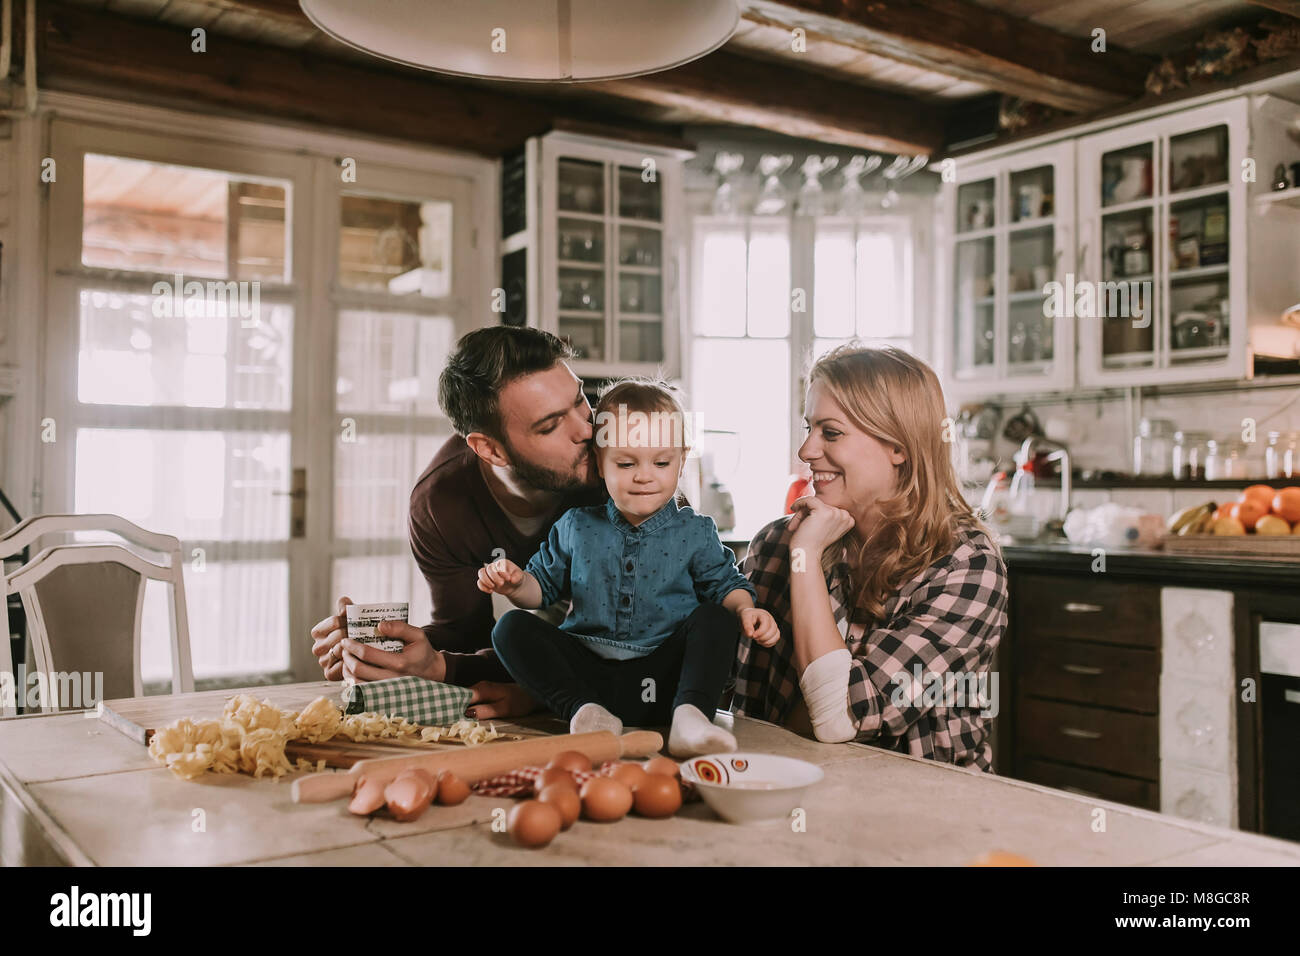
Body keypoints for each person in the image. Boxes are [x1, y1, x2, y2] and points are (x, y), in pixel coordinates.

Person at [731, 345, 1008, 770]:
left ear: (898, 446)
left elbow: (837, 715)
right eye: (809, 428)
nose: (806, 451)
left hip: (927, 812)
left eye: (831, 433)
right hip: (787, 795)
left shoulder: (967, 567)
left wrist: (804, 555)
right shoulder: (772, 544)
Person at [309, 326, 606, 719]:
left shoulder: (623, 460)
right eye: (550, 425)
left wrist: (533, 692)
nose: (587, 429)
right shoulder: (440, 502)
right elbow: (463, 632)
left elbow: (646, 635)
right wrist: (381, 650)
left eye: (581, 400)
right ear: (490, 449)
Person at [479, 379, 778, 756]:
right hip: (592, 679)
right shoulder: (576, 526)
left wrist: (746, 609)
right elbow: (539, 590)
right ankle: (585, 715)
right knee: (510, 628)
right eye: (625, 463)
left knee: (716, 618)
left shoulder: (695, 530)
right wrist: (516, 582)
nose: (644, 475)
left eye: (662, 462)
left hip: (664, 681)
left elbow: (725, 584)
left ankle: (691, 719)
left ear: (681, 461)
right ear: (599, 464)